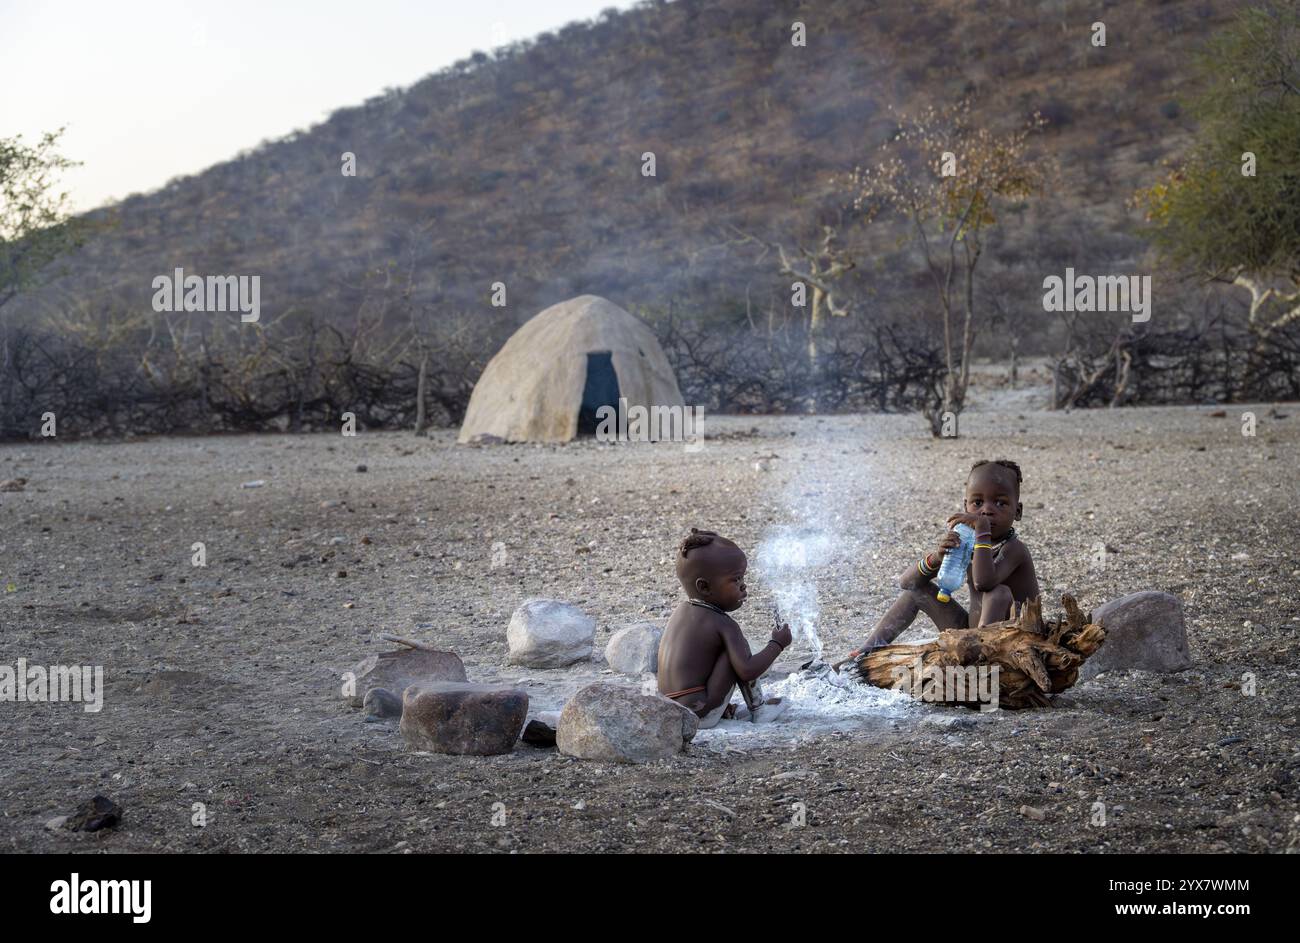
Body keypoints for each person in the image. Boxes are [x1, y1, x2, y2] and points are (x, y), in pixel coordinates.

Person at [835, 459, 1039, 671]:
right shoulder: (968, 543)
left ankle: (982, 663)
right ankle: (864, 653)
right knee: (917, 592)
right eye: (977, 503)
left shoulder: (1015, 550)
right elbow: (907, 582)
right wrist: (937, 557)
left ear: (1018, 511)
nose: (986, 511)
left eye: (1000, 503)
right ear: (965, 507)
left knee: (999, 593)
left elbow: (984, 583)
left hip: (1013, 645)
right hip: (970, 635)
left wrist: (982, 531)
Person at [657, 529, 790, 727]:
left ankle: (724, 708)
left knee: (724, 651)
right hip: (698, 715)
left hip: (669, 709)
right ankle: (759, 709)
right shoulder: (723, 623)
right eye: (736, 580)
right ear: (704, 587)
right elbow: (748, 671)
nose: (743, 586)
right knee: (735, 652)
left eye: (743, 579)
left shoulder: (681, 612)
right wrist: (777, 643)